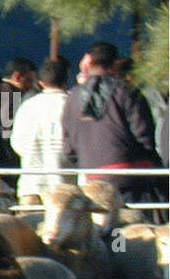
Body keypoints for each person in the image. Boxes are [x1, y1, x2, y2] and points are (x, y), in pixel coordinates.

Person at [62, 41, 165, 207]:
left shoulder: (72, 97)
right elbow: (144, 136)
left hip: (92, 178)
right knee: (131, 228)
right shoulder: (127, 91)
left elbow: (68, 147)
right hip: (130, 177)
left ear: (89, 62)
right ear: (115, 63)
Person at [9, 57, 71, 204]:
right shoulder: (72, 105)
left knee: (28, 224)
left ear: (41, 82)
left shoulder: (28, 106)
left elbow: (17, 143)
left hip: (31, 184)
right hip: (64, 188)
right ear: (66, 80)